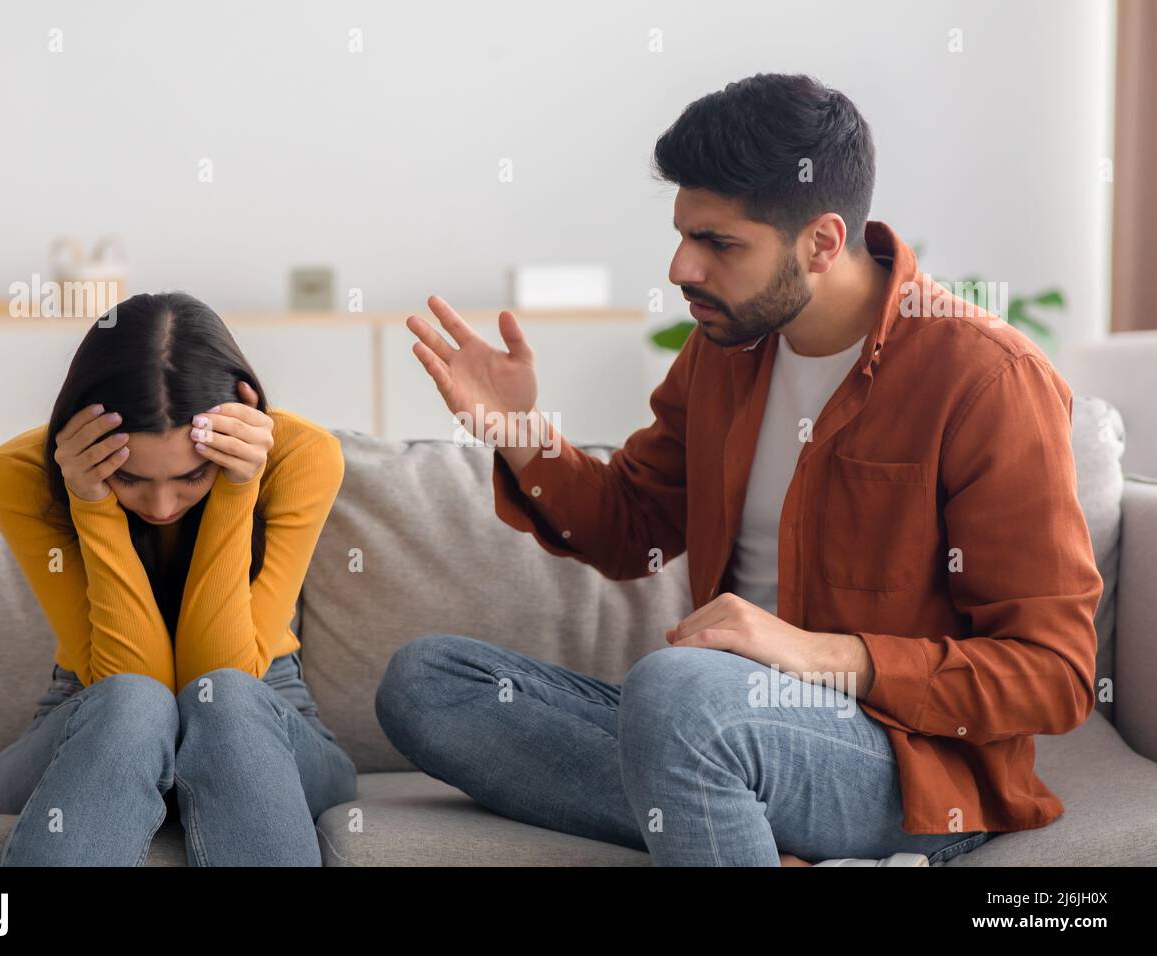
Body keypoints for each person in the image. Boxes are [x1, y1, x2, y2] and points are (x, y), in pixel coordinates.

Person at [375, 73, 1102, 866]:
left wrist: (817, 652)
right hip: (721, 720)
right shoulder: (723, 352)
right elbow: (628, 531)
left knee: (677, 693)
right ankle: (722, 811)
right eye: (685, 233)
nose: (682, 268)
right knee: (429, 683)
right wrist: (516, 428)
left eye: (719, 244)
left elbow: (1053, 674)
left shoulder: (985, 378)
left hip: (906, 759)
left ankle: (708, 792)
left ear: (821, 243)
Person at [0, 290, 356, 865]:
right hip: (94, 717)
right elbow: (137, 680)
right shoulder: (23, 474)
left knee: (227, 700)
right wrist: (91, 503)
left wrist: (238, 486)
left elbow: (219, 676)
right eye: (128, 479)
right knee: (134, 701)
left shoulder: (303, 456)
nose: (161, 506)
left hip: (262, 718)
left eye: (192, 474)